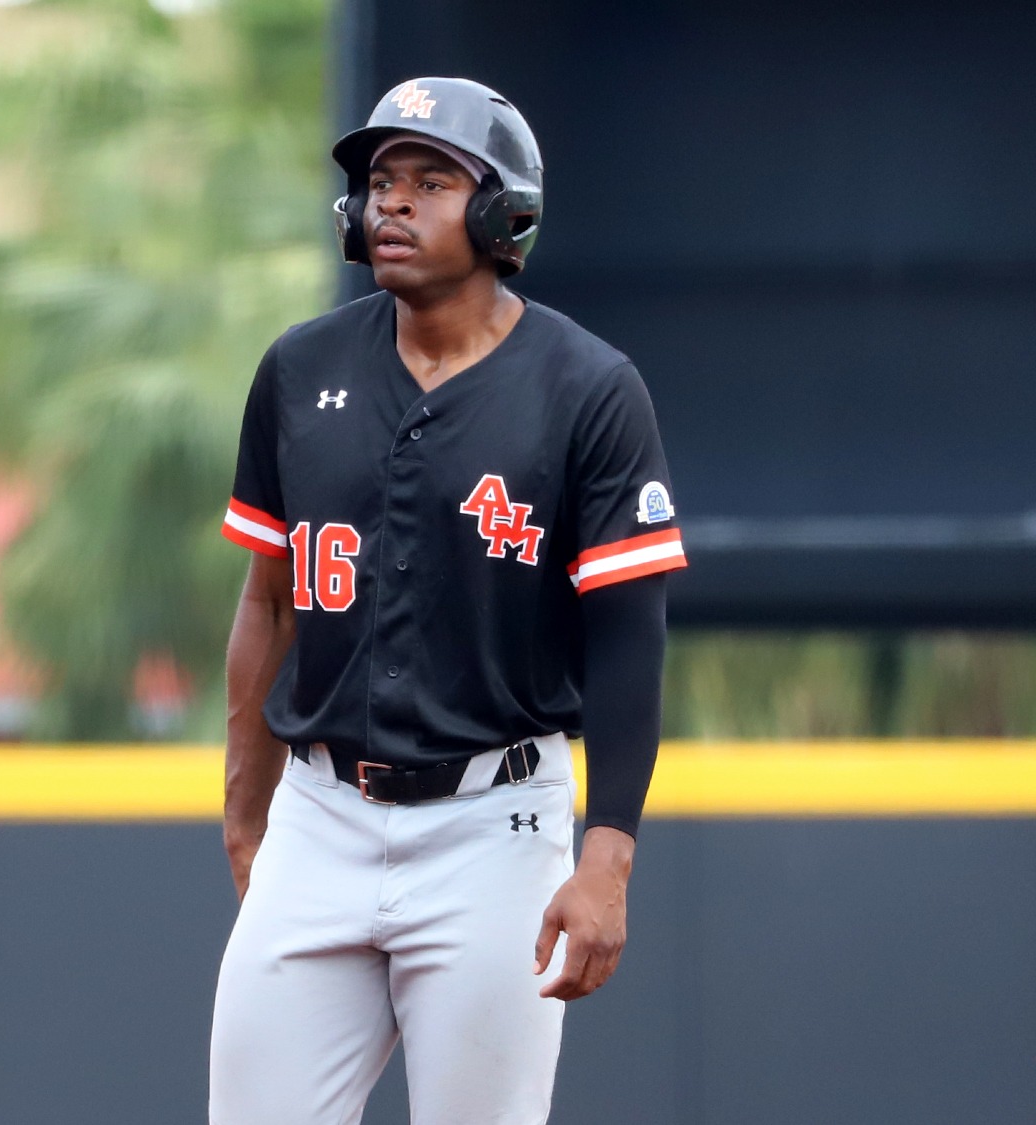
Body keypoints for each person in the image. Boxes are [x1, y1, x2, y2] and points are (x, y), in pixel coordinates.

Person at [210, 76, 685, 1124]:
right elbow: (268, 604)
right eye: (382, 179)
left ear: (502, 213)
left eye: (431, 181)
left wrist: (606, 858)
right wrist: (246, 814)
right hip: (319, 814)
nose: (393, 200)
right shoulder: (298, 369)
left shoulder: (587, 388)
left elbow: (626, 635)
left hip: (493, 825)